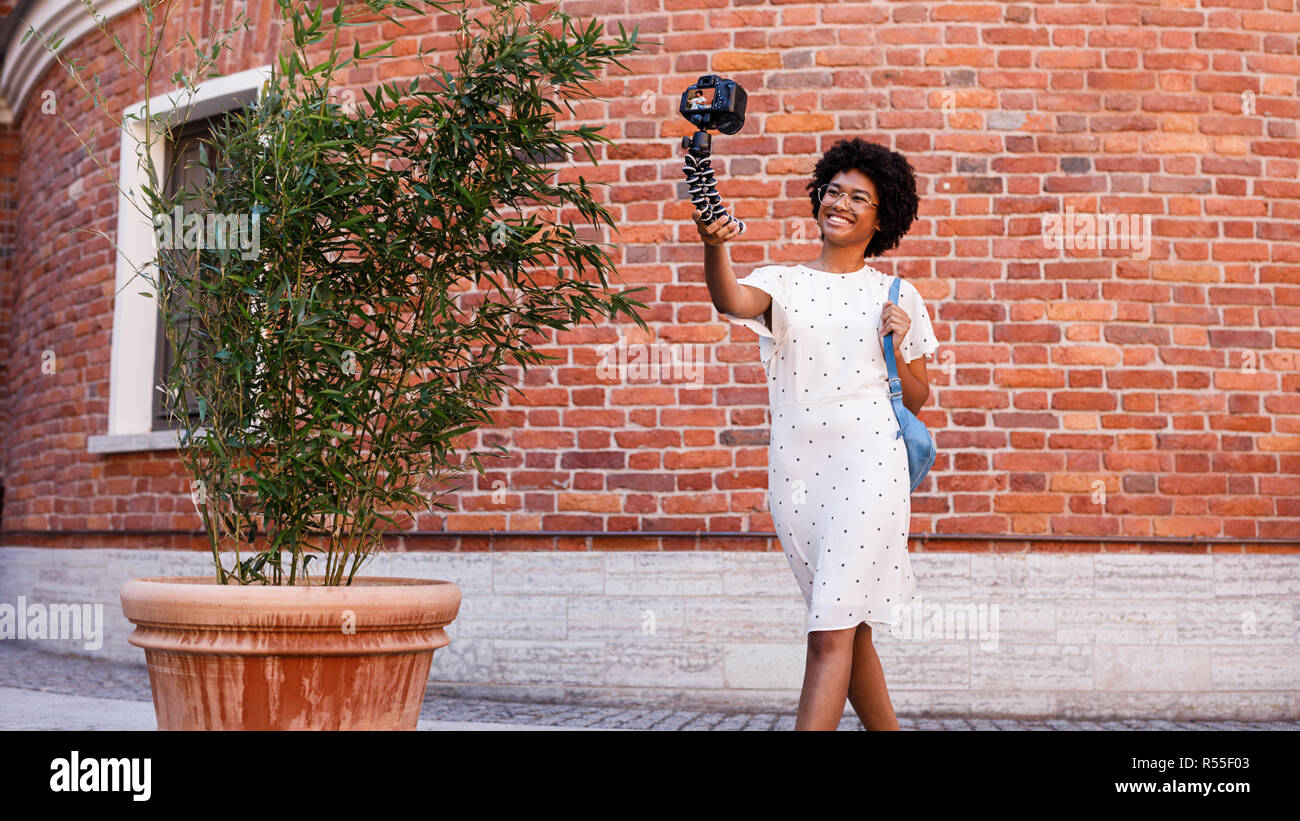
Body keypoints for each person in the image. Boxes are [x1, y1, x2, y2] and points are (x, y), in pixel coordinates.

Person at [696, 137, 937, 731]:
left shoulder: (898, 294)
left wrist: (900, 338)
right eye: (834, 191)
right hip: (799, 482)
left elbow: (918, 396)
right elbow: (730, 297)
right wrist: (713, 249)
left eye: (861, 197)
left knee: (827, 635)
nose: (842, 204)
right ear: (818, 196)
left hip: (871, 474)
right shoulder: (784, 283)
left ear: (883, 218)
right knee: (848, 630)